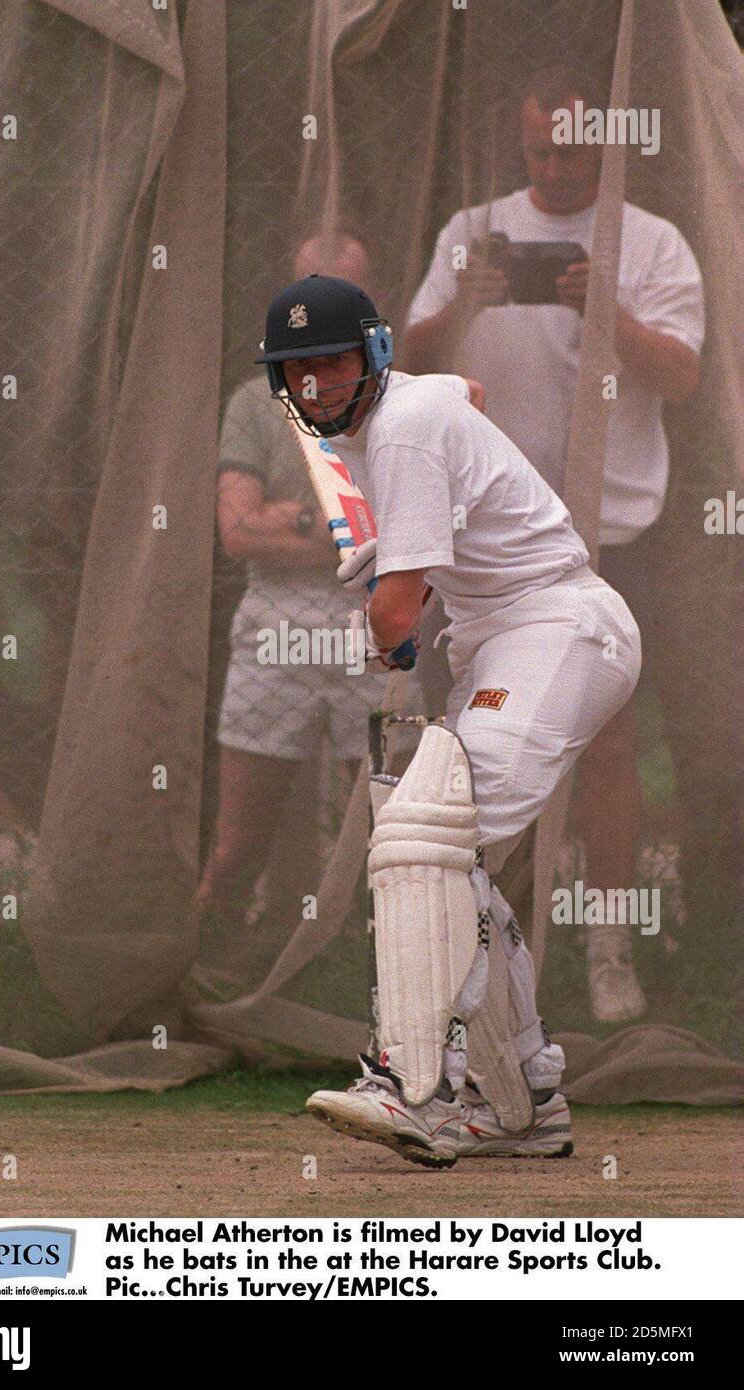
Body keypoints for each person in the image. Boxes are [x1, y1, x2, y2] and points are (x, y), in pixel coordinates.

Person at [256, 273, 641, 1164]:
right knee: (446, 862)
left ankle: (409, 1085)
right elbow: (466, 390)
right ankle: (522, 1106)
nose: (315, 385)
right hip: (502, 641)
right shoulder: (411, 407)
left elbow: (397, 615)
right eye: (297, 372)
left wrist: (381, 635)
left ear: (376, 355)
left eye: (333, 362)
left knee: (427, 838)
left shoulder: (404, 429)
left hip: (557, 625)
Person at [402, 63, 704, 1023]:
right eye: (540, 151)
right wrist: (472, 302)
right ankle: (479, 953)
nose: (557, 167)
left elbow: (684, 375)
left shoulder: (650, 242)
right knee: (473, 740)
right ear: (520, 143)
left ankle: (608, 950)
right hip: (484, 546)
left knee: (604, 742)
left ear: (607, 143)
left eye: (574, 151)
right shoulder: (470, 231)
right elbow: (407, 361)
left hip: (608, 530)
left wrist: (599, 309)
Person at [196, 234, 392, 989]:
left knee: (390, 834)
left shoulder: (398, 401)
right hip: (273, 623)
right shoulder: (252, 402)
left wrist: (303, 522)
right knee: (237, 843)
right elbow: (237, 530)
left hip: (374, 620)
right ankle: (202, 983)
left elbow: (398, 539)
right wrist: (336, 523)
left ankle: (376, 993)